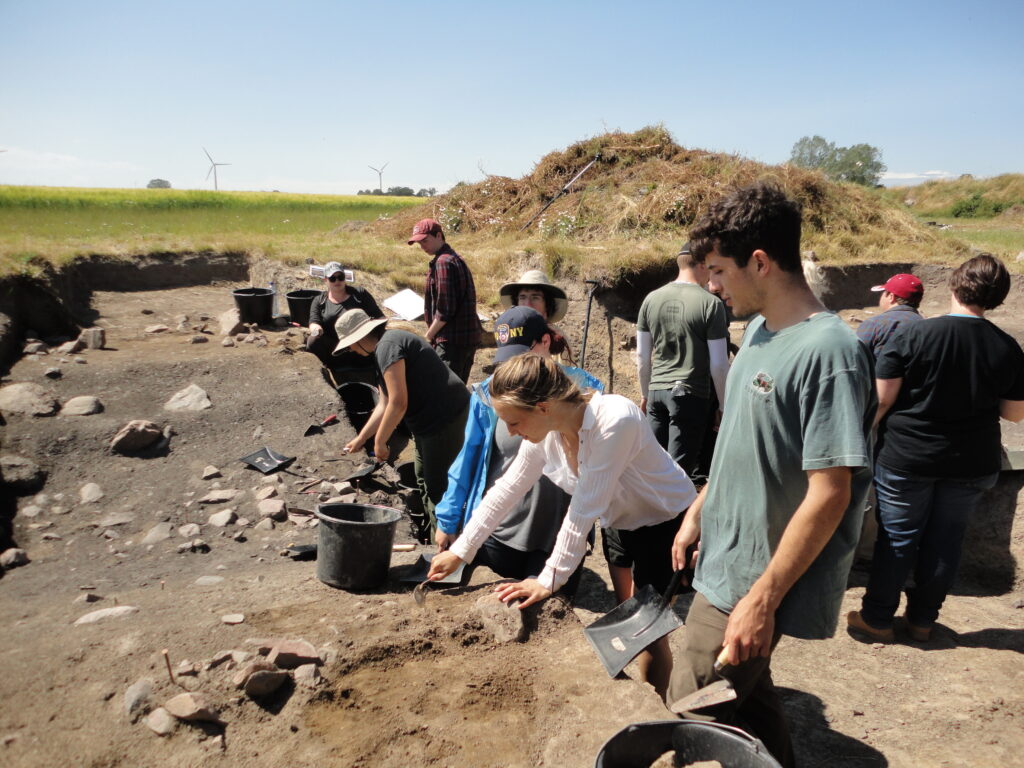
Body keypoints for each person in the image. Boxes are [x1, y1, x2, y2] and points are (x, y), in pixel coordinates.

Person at [667, 181, 876, 768]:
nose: (711, 285)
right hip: (723, 553)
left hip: (753, 574)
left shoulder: (829, 353)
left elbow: (831, 495)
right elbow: (743, 443)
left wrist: (762, 599)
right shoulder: (759, 331)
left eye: (718, 271)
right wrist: (699, 510)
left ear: (760, 262)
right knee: (749, 699)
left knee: (691, 706)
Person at [429, 354, 697, 698]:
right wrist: (460, 552)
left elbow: (582, 510)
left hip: (665, 522)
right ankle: (643, 702)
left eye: (512, 422)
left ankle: (657, 712)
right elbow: (506, 490)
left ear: (543, 407)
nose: (510, 432)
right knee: (628, 615)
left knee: (648, 632)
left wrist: (548, 579)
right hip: (618, 520)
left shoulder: (614, 420)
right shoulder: (548, 432)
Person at [848, 254, 1024, 644]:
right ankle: (922, 621)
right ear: (997, 297)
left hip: (907, 456)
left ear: (955, 285)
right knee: (946, 539)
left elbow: (882, 400)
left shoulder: (911, 336)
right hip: (972, 461)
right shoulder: (1007, 347)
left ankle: (876, 618)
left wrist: (860, 440)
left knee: (897, 536)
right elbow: (1013, 415)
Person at [434, 306, 603, 599]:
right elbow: (470, 459)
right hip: (502, 531)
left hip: (558, 533)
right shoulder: (488, 395)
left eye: (522, 354)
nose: (513, 366)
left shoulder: (585, 390)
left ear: (546, 342)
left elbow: (593, 487)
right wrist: (449, 520)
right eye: (506, 357)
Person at [337, 309, 470, 541]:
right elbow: (384, 402)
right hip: (426, 423)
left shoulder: (388, 346)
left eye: (350, 345)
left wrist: (380, 442)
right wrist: (362, 439)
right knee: (422, 478)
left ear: (360, 338)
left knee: (438, 486)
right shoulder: (385, 348)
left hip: (444, 418)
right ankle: (432, 535)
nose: (351, 350)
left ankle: (449, 544)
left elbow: (398, 403)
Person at [637, 240, 729, 480]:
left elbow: (642, 358)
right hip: (690, 394)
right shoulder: (711, 304)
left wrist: (646, 393)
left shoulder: (650, 299)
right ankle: (675, 519)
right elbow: (719, 365)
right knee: (678, 477)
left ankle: (651, 518)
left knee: (653, 471)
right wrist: (723, 406)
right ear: (701, 265)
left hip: (656, 392)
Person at [408, 218, 482, 383]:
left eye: (425, 241)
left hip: (451, 341)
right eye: (419, 243)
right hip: (465, 338)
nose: (422, 247)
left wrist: (428, 336)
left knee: (444, 393)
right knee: (459, 391)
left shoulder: (443, 262)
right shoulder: (454, 258)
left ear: (439, 235)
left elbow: (445, 311)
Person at [306, 262, 383, 375]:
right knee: (313, 341)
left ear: (345, 277)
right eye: (332, 278)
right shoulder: (319, 300)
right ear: (325, 280)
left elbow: (379, 317)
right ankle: (330, 369)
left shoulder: (359, 294)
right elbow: (314, 321)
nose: (337, 281)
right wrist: (316, 329)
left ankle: (371, 363)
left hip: (361, 342)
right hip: (335, 346)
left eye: (340, 277)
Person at [498, 269, 574, 361]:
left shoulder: (557, 340)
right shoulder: (510, 334)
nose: (528, 304)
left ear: (547, 305)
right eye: (522, 297)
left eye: (535, 298)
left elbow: (562, 374)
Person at [855, 273, 924, 359]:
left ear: (891, 297)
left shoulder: (874, 324)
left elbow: (855, 357)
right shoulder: (925, 325)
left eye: (884, 292)